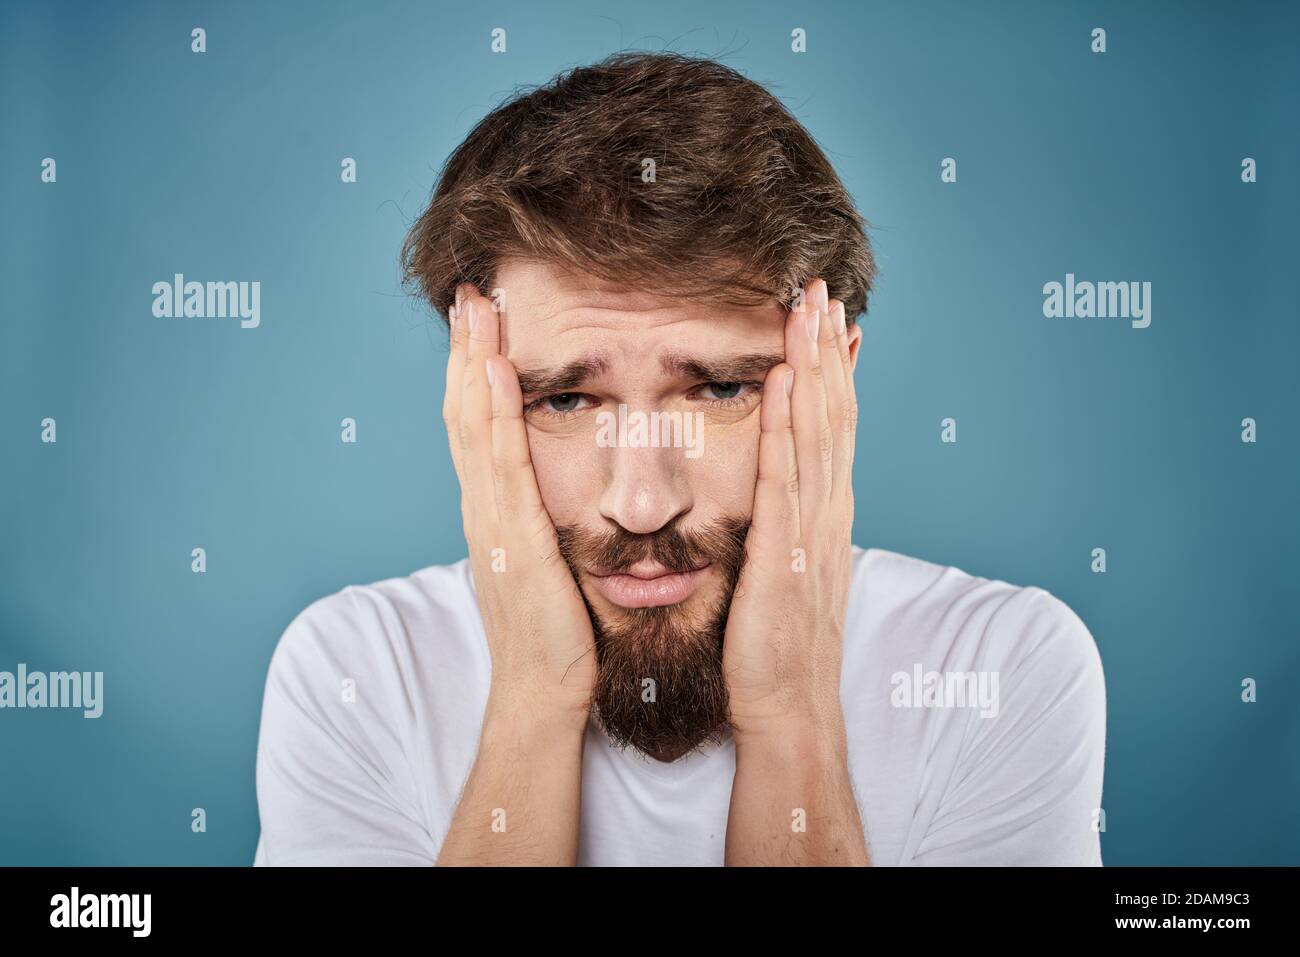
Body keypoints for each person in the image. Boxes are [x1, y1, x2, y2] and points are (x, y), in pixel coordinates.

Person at [253, 52, 1105, 866]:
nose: (642, 503)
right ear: (474, 407)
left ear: (832, 387)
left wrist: (792, 710)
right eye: (565, 400)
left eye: (720, 389)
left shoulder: (1002, 667)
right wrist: (533, 699)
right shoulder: (353, 672)